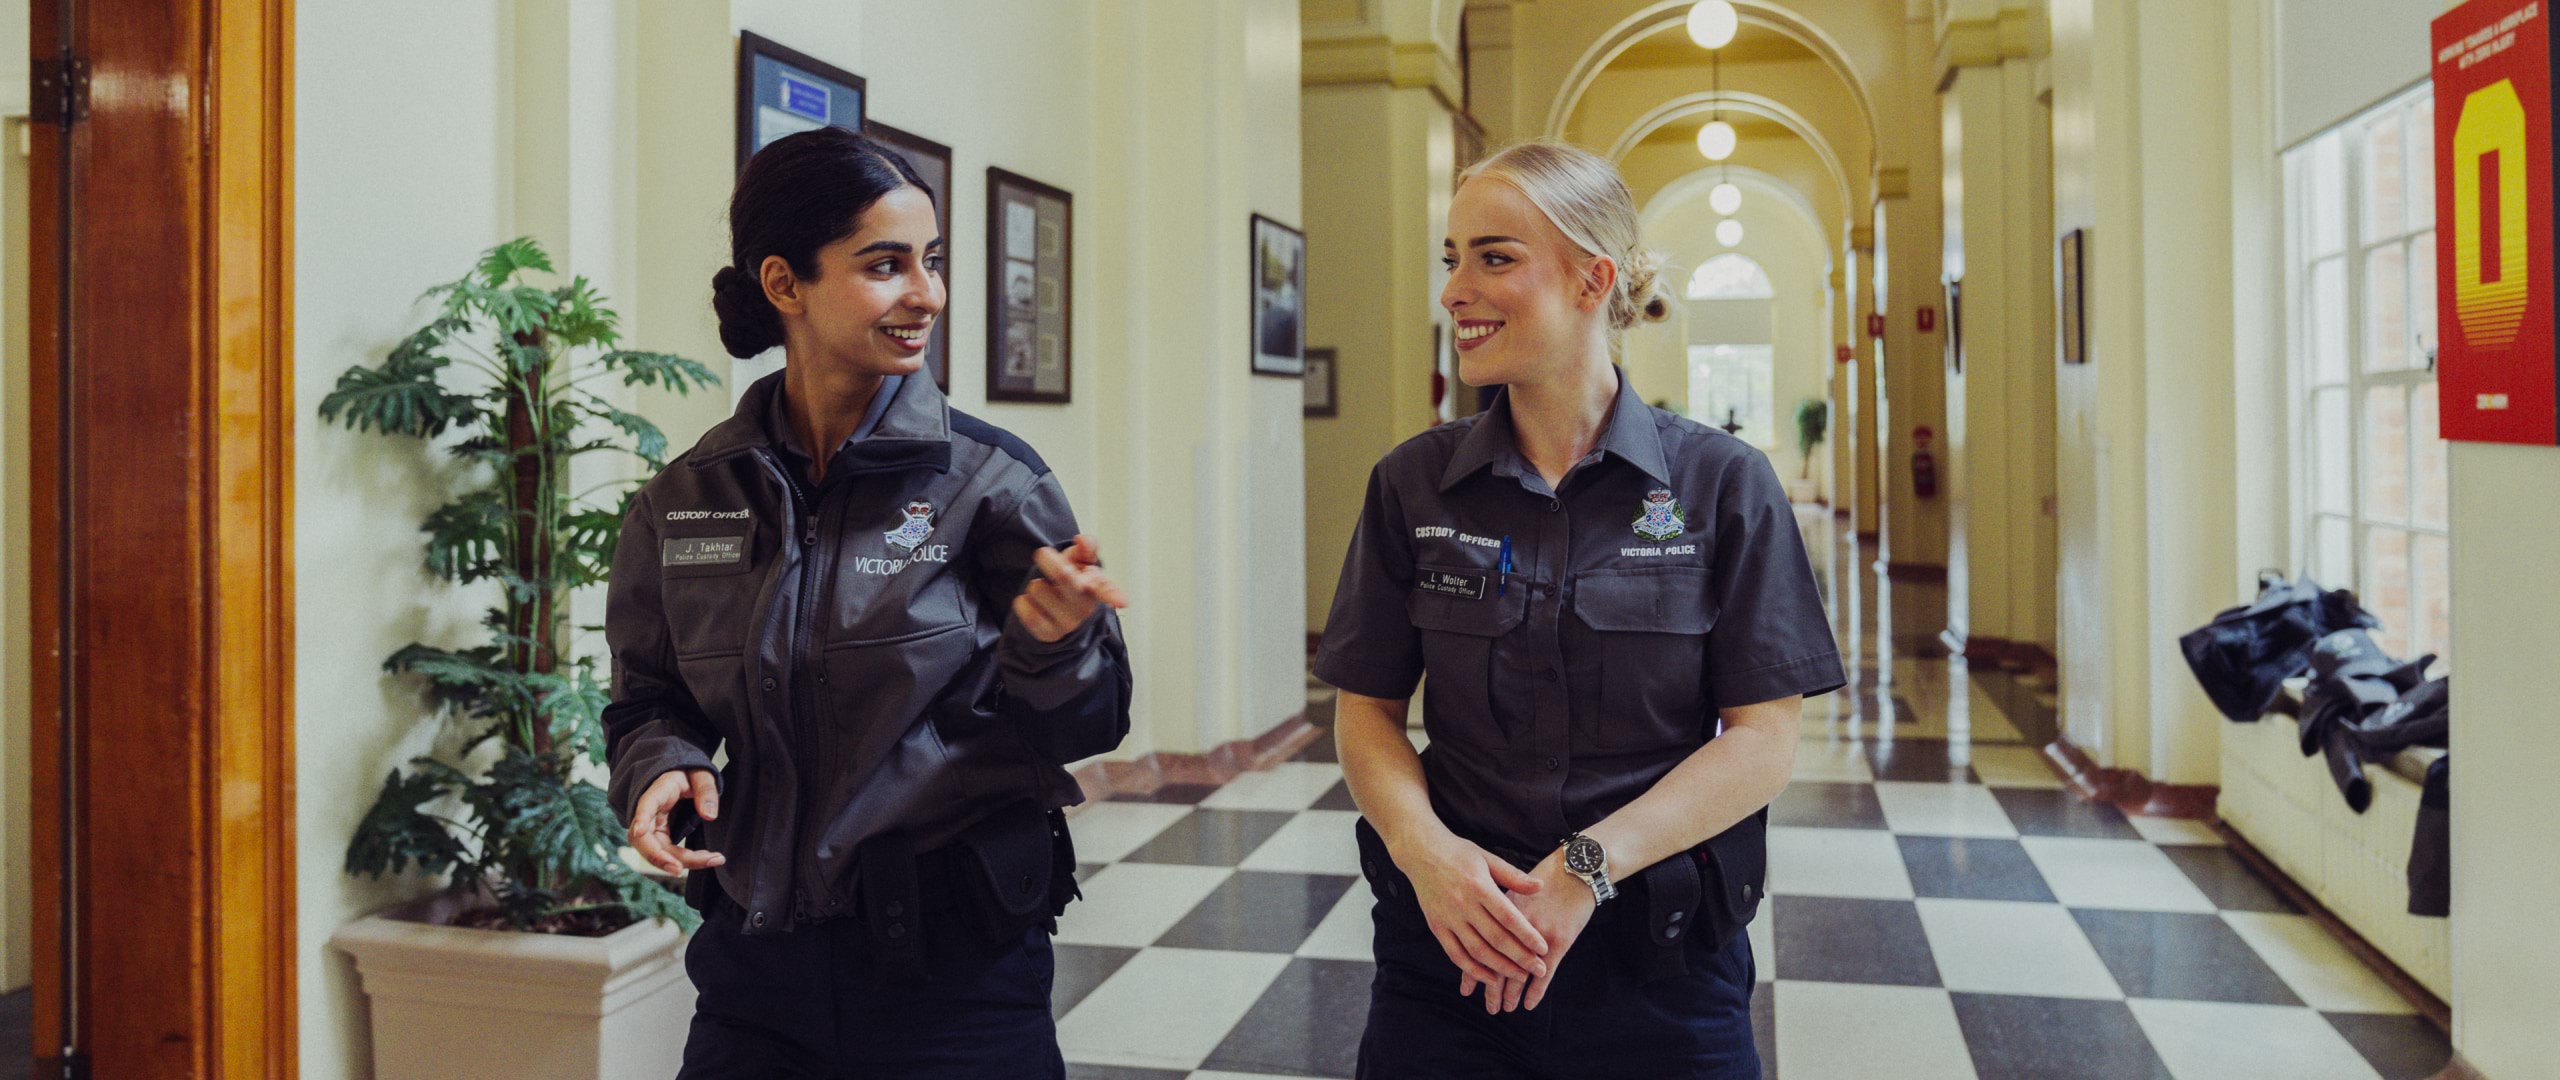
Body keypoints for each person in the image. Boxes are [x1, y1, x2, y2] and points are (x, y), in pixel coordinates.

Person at [603, 126, 1133, 1080]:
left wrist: (1058, 650)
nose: (927, 293)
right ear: (784, 284)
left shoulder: (990, 482)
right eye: (886, 265)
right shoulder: (685, 499)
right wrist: (662, 764)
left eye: (932, 261)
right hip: (756, 972)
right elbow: (649, 699)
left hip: (955, 971)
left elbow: (1092, 723)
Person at [1315, 140, 1844, 1079]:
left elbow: (1763, 739)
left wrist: (1584, 869)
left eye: (1494, 258)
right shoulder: (1413, 484)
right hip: (1454, 956)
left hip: (1661, 965)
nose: (1455, 291)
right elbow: (1366, 713)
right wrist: (1425, 851)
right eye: (1453, 259)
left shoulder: (1722, 485)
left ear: (1593, 279)